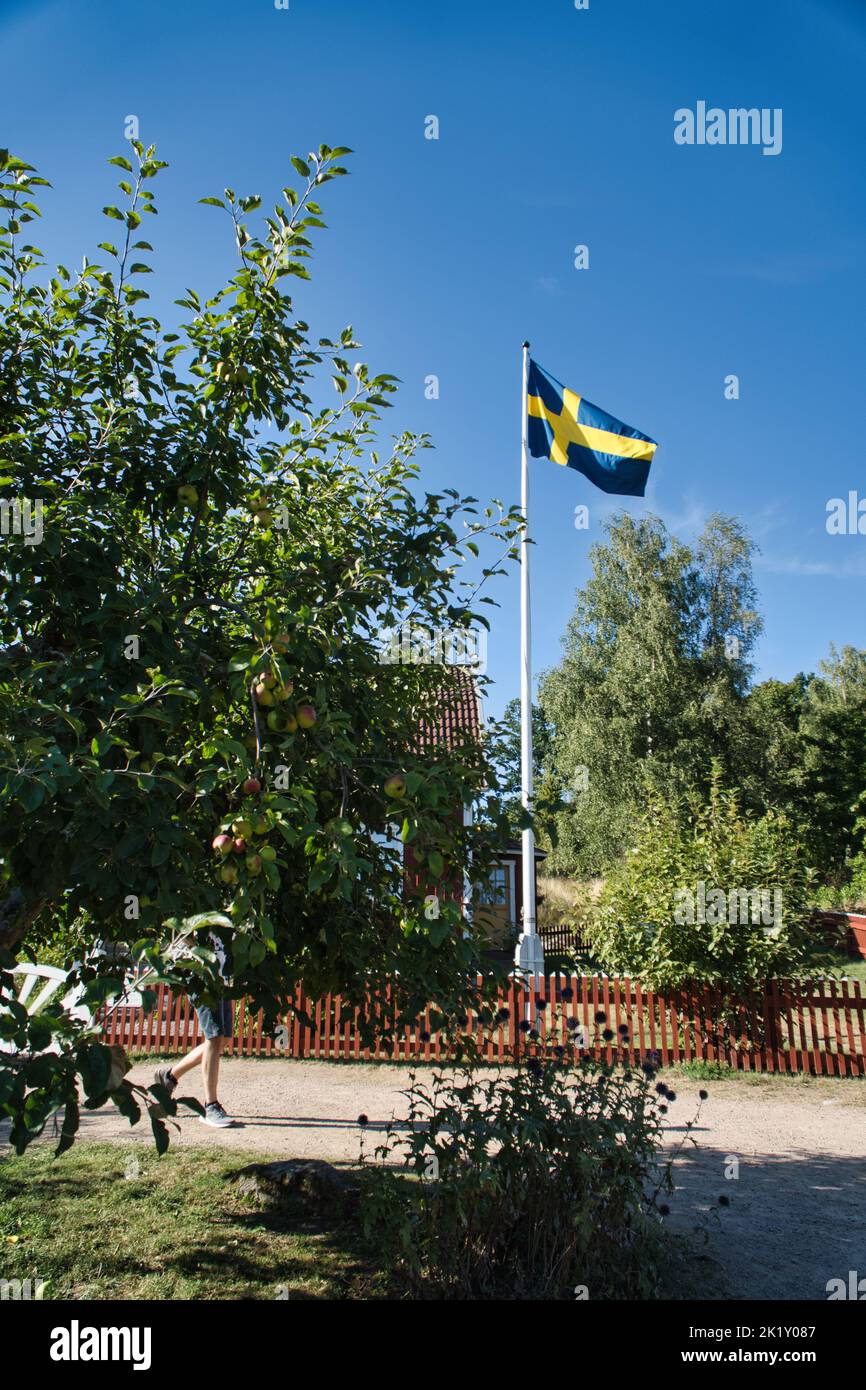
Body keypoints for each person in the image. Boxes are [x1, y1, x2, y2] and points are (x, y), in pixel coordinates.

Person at [154, 933, 236, 1128]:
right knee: (214, 1037)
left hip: (221, 977)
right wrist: (204, 956)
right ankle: (211, 1106)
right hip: (201, 976)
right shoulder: (199, 904)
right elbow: (185, 933)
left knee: (223, 1038)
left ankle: (170, 1076)